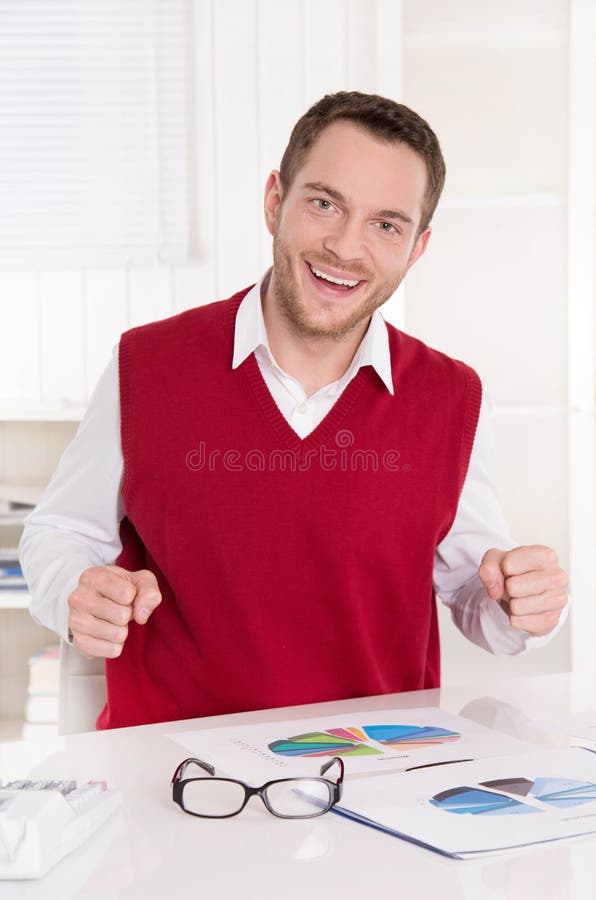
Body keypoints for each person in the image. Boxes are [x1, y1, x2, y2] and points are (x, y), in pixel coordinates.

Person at [20, 92, 569, 729]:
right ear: (275, 202)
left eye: (385, 224)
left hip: (376, 778)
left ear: (416, 248)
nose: (345, 245)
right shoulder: (146, 364)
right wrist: (76, 592)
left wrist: (518, 604)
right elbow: (59, 531)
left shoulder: (454, 398)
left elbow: (477, 596)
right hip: (173, 780)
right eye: (324, 204)